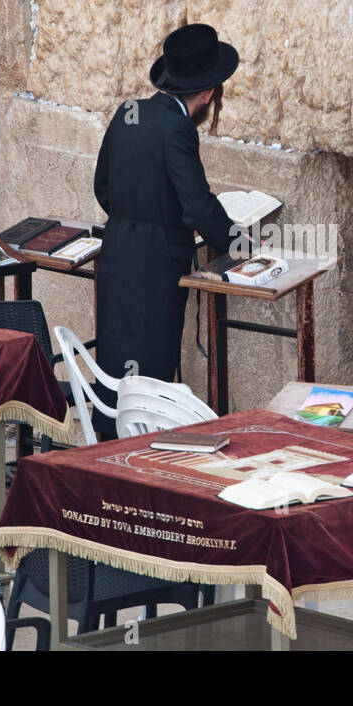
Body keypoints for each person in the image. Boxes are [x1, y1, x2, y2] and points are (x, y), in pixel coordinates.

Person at [91, 23, 239, 439]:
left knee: (118, 362)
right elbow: (198, 205)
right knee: (151, 370)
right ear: (208, 93)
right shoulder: (178, 129)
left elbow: (102, 187)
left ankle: (106, 451)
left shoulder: (127, 113)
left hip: (118, 251)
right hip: (155, 264)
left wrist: (136, 220)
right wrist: (241, 242)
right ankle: (142, 457)